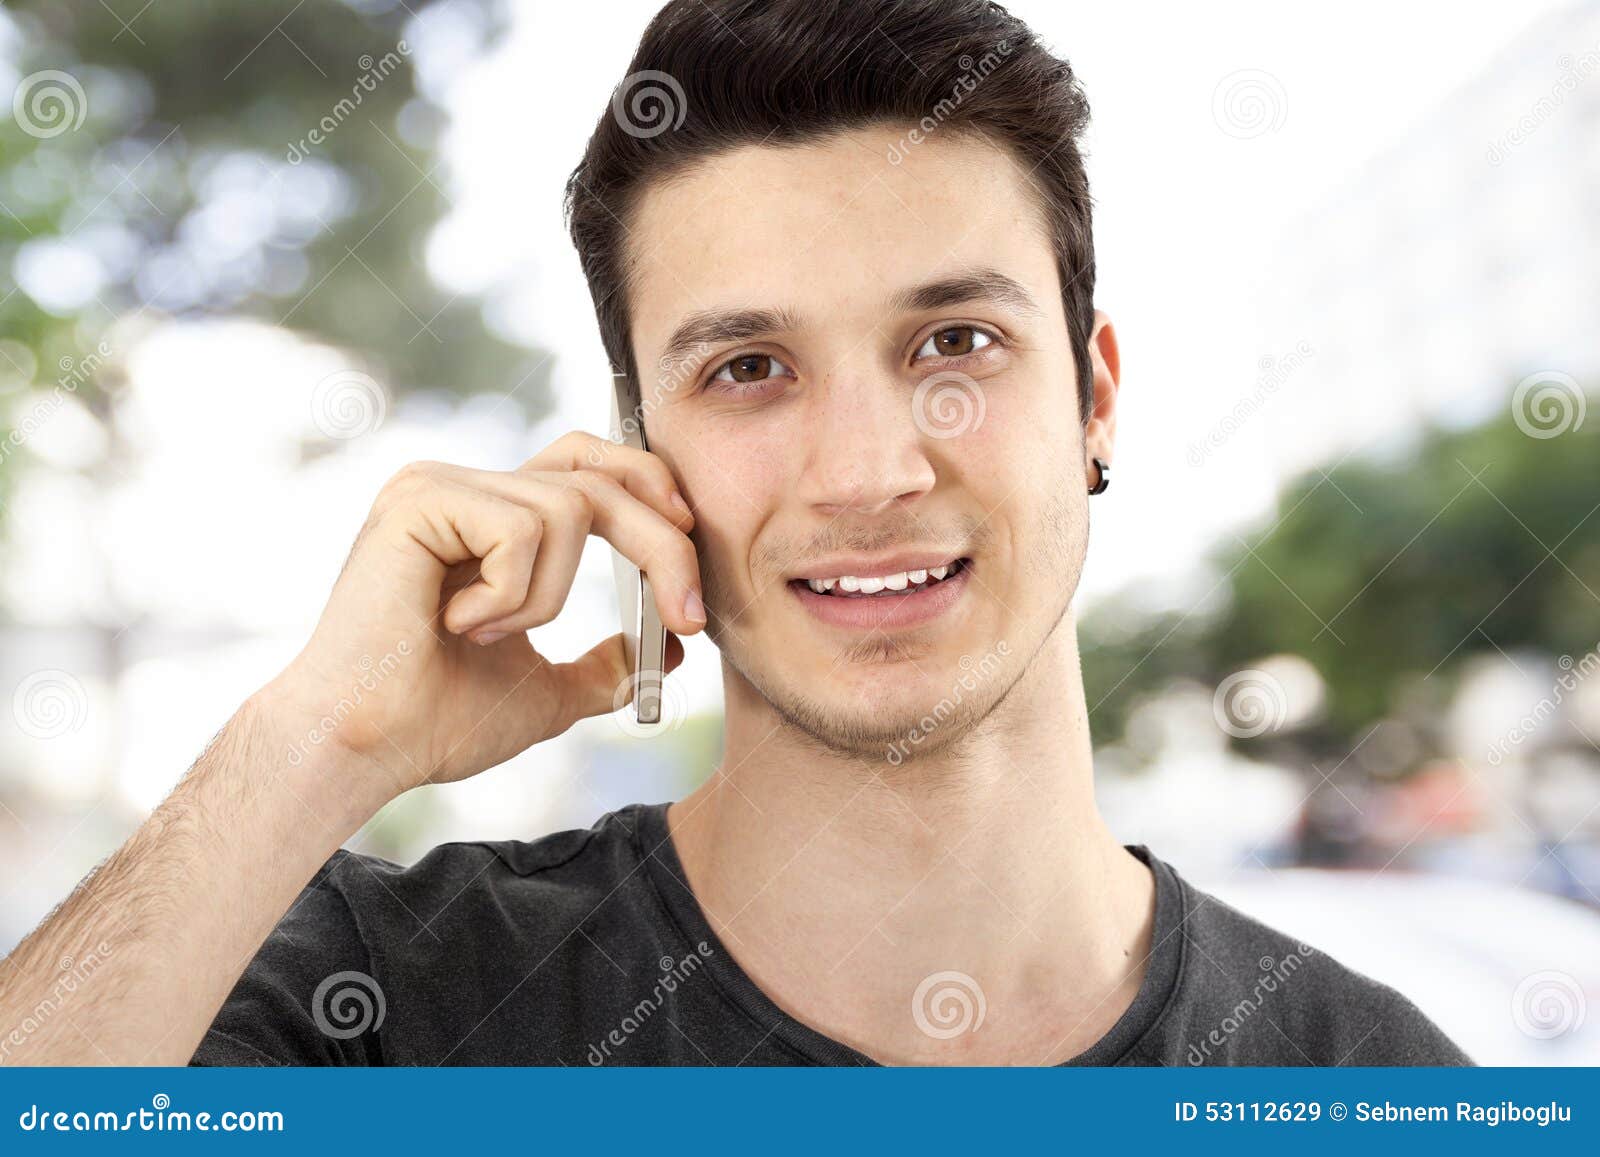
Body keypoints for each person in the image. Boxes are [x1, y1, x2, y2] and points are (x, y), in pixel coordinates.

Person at [0, 0, 1469, 1067]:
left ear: (1091, 398)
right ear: (640, 463)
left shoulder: (1362, 1078)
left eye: (952, 339)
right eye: (748, 369)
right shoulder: (391, 1007)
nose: (866, 469)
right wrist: (320, 739)